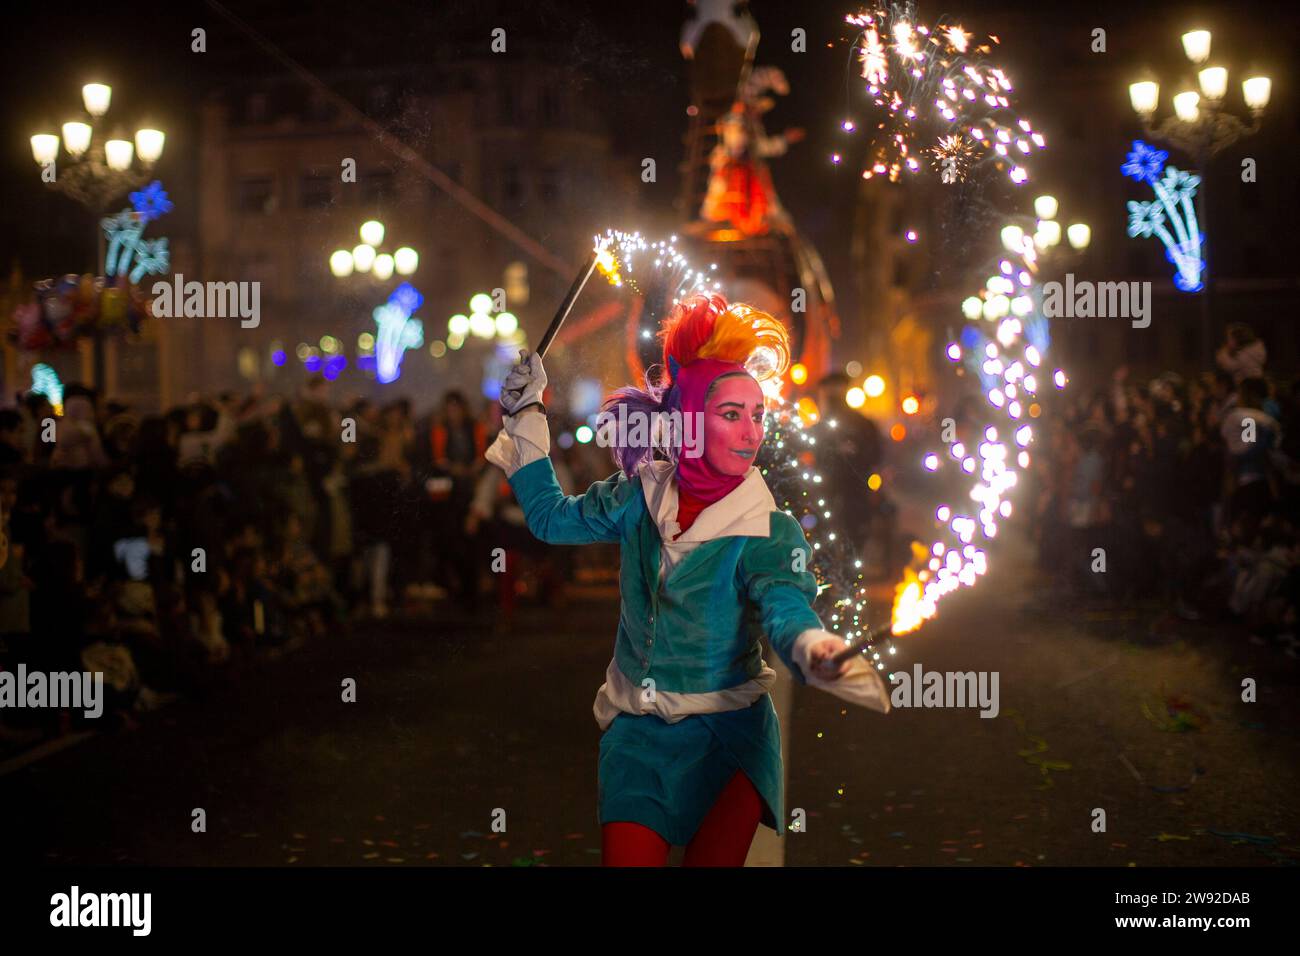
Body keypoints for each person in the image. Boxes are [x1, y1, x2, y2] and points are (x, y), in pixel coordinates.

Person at [483, 293, 890, 867]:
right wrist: (527, 415)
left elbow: (786, 607)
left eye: (758, 414)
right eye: (731, 414)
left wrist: (813, 646)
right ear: (689, 421)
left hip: (731, 741)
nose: (751, 432)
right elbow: (550, 519)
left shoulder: (768, 533)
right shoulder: (637, 496)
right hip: (638, 739)